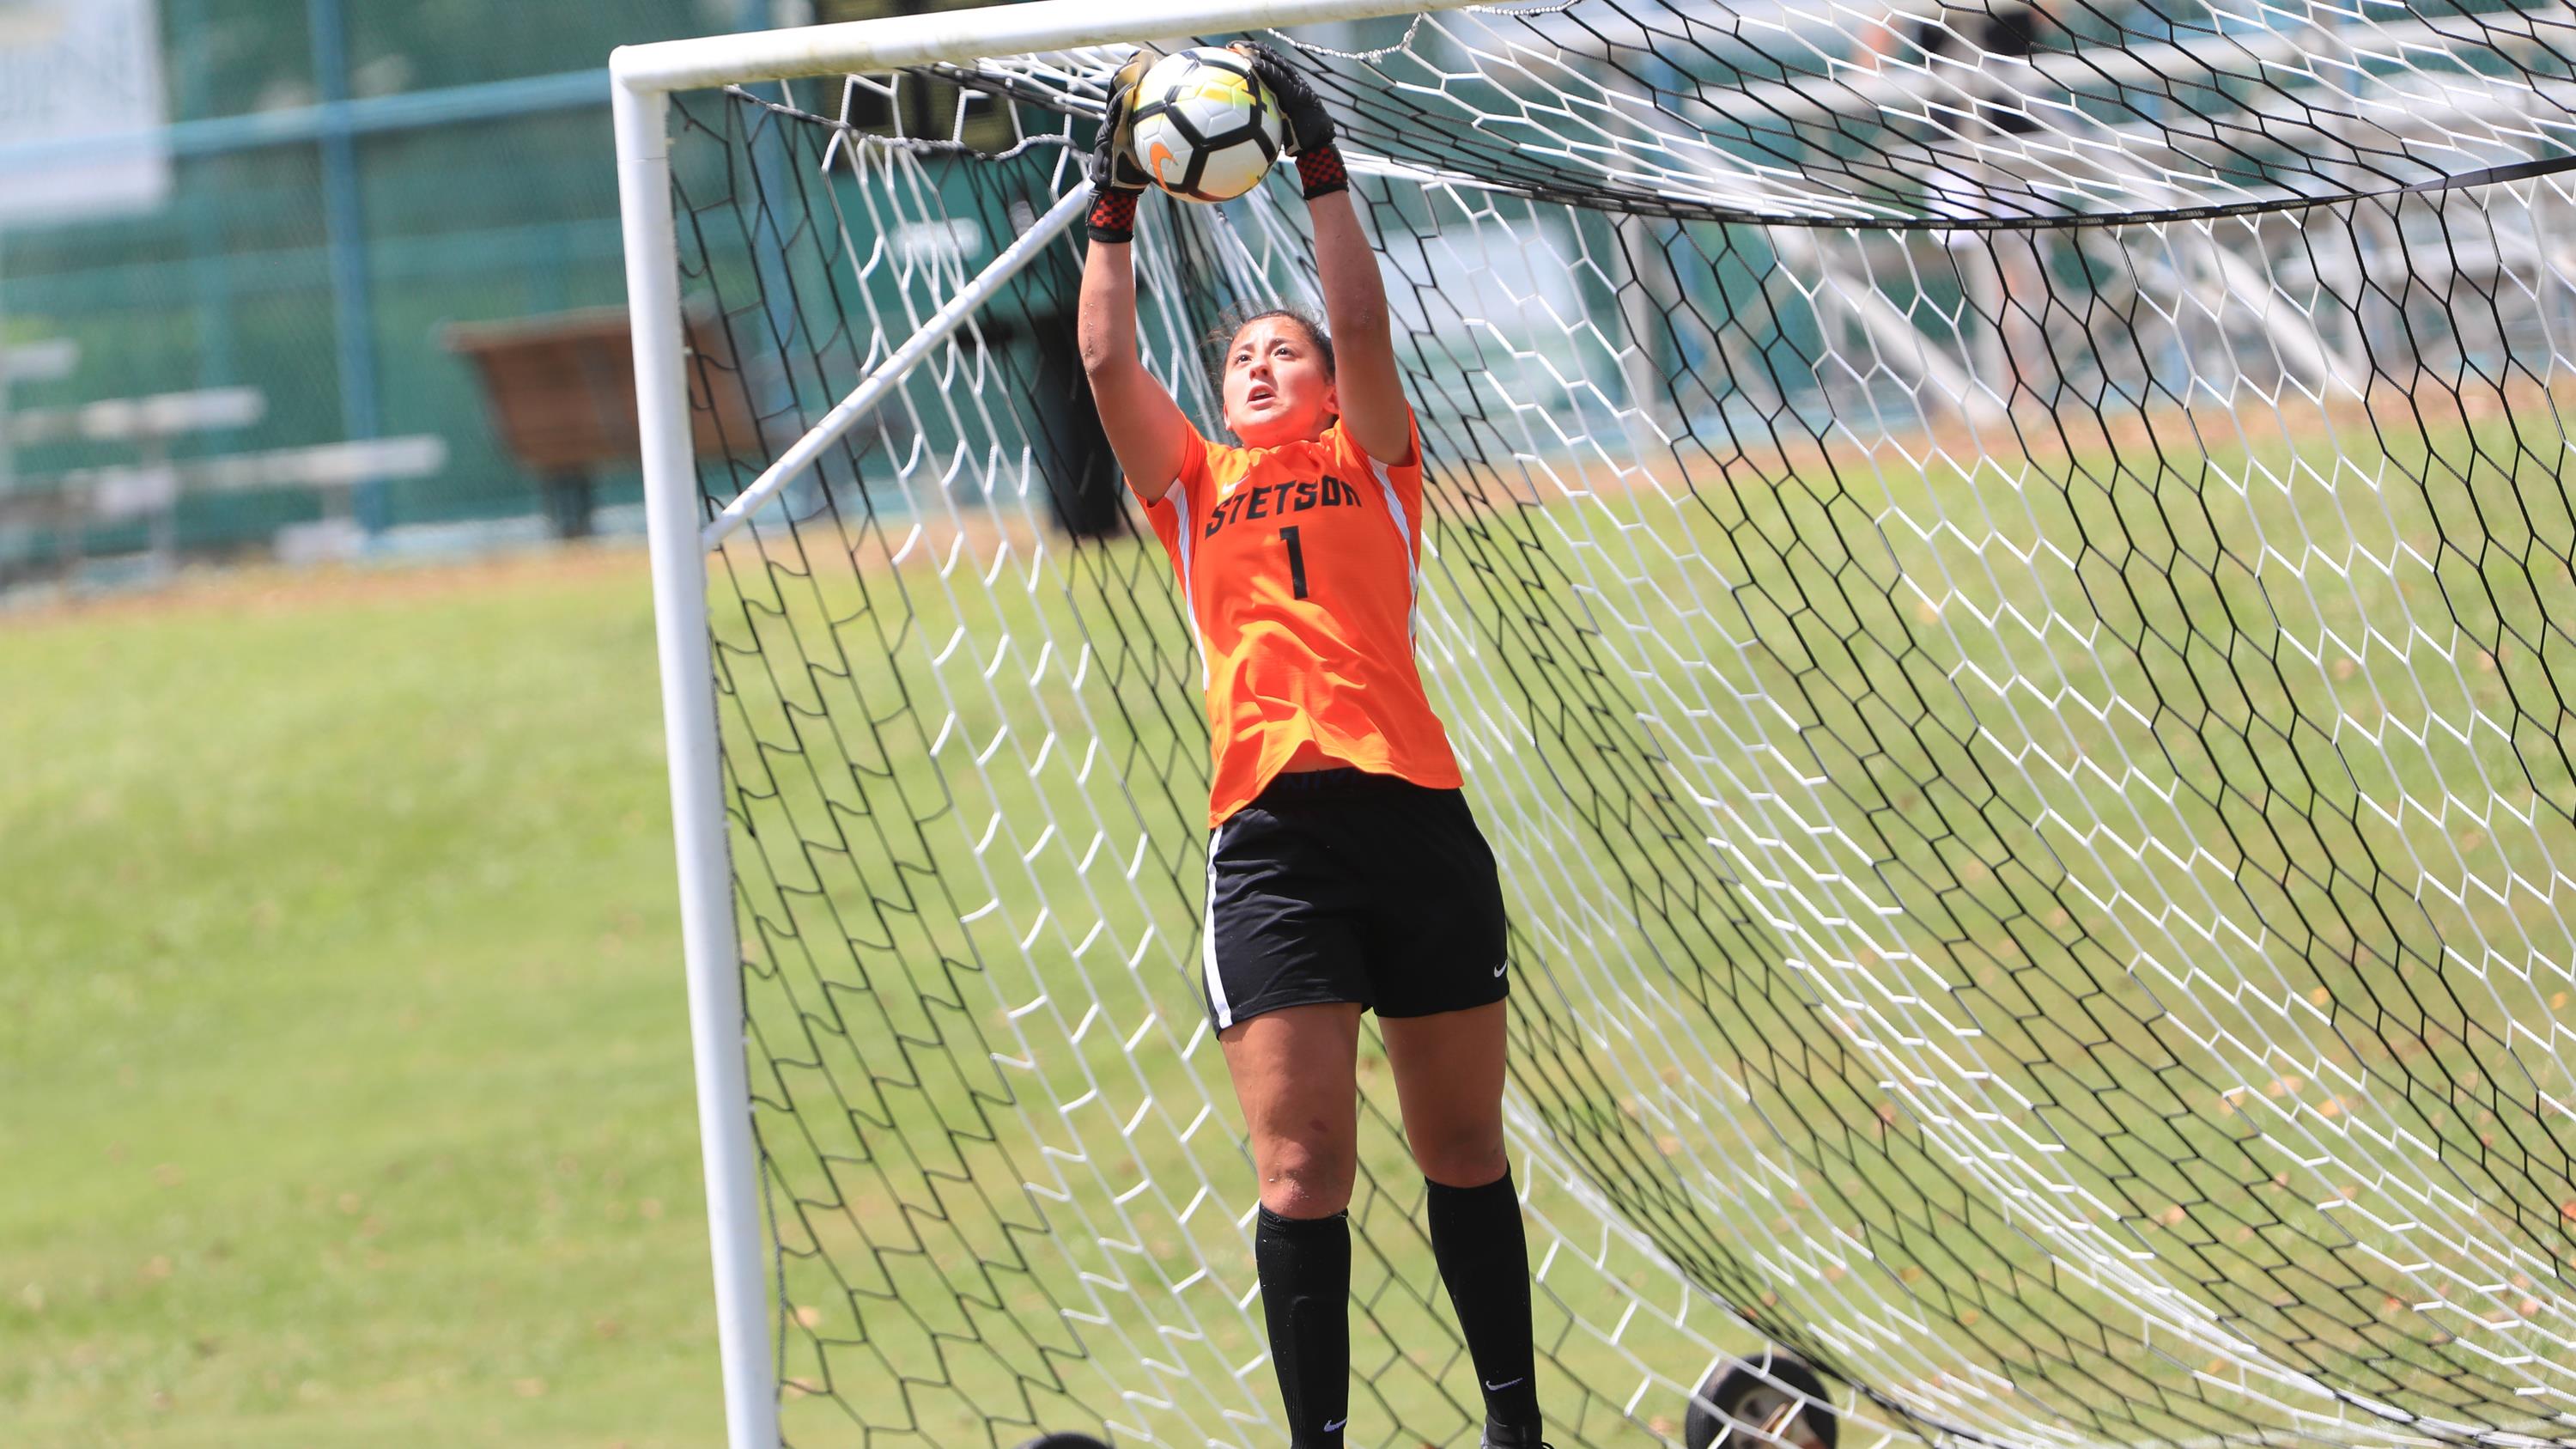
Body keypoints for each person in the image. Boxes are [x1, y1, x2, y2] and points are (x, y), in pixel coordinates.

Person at [1077, 43, 1549, 1449]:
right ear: (1219, 402)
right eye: (1241, 355)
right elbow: (1106, 353)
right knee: (1302, 1170)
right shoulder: (1189, 488)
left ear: (1327, 390)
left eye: (1285, 352)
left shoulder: (1373, 462)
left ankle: (1514, 1428)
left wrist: (1324, 159)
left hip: (1416, 823)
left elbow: (1363, 325)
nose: (1265, 361)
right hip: (1275, 847)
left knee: (1463, 1149)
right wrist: (1115, 194)